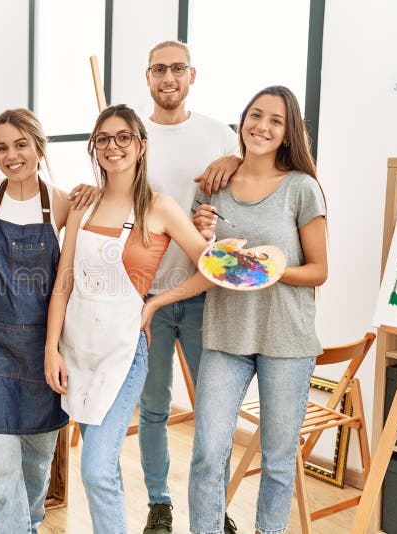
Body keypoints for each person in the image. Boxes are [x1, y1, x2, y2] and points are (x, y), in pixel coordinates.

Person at [44, 104, 216, 534]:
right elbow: (63, 283)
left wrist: (157, 303)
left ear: (141, 146)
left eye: (124, 137)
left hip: (124, 353)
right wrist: (51, 348)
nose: (113, 146)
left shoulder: (160, 208)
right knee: (105, 470)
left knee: (96, 467)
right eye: (103, 139)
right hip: (77, 351)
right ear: (93, 148)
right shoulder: (83, 205)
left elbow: (210, 270)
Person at [188, 85, 328, 534]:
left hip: (286, 339)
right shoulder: (216, 186)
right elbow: (208, 260)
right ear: (242, 120)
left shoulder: (301, 188)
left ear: (288, 134)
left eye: (275, 121)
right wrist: (203, 234)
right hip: (226, 334)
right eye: (256, 115)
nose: (262, 127)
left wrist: (267, 267)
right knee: (208, 451)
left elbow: (319, 271)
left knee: (279, 458)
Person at [0, 108, 95, 534]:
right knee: (0, 463)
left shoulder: (61, 203)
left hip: (46, 350)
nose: (11, 155)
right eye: (1, 147)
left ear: (39, 147)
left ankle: (31, 523)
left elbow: (71, 275)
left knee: (37, 458)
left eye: (20, 144)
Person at [138, 40, 241, 534]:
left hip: (206, 294)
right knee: (154, 407)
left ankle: (211, 506)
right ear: (148, 76)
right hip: (151, 296)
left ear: (192, 75)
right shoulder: (135, 136)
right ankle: (160, 505)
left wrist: (235, 166)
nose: (169, 78)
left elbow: (248, 198)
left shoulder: (221, 135)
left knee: (213, 412)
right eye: (160, 70)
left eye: (178, 69)